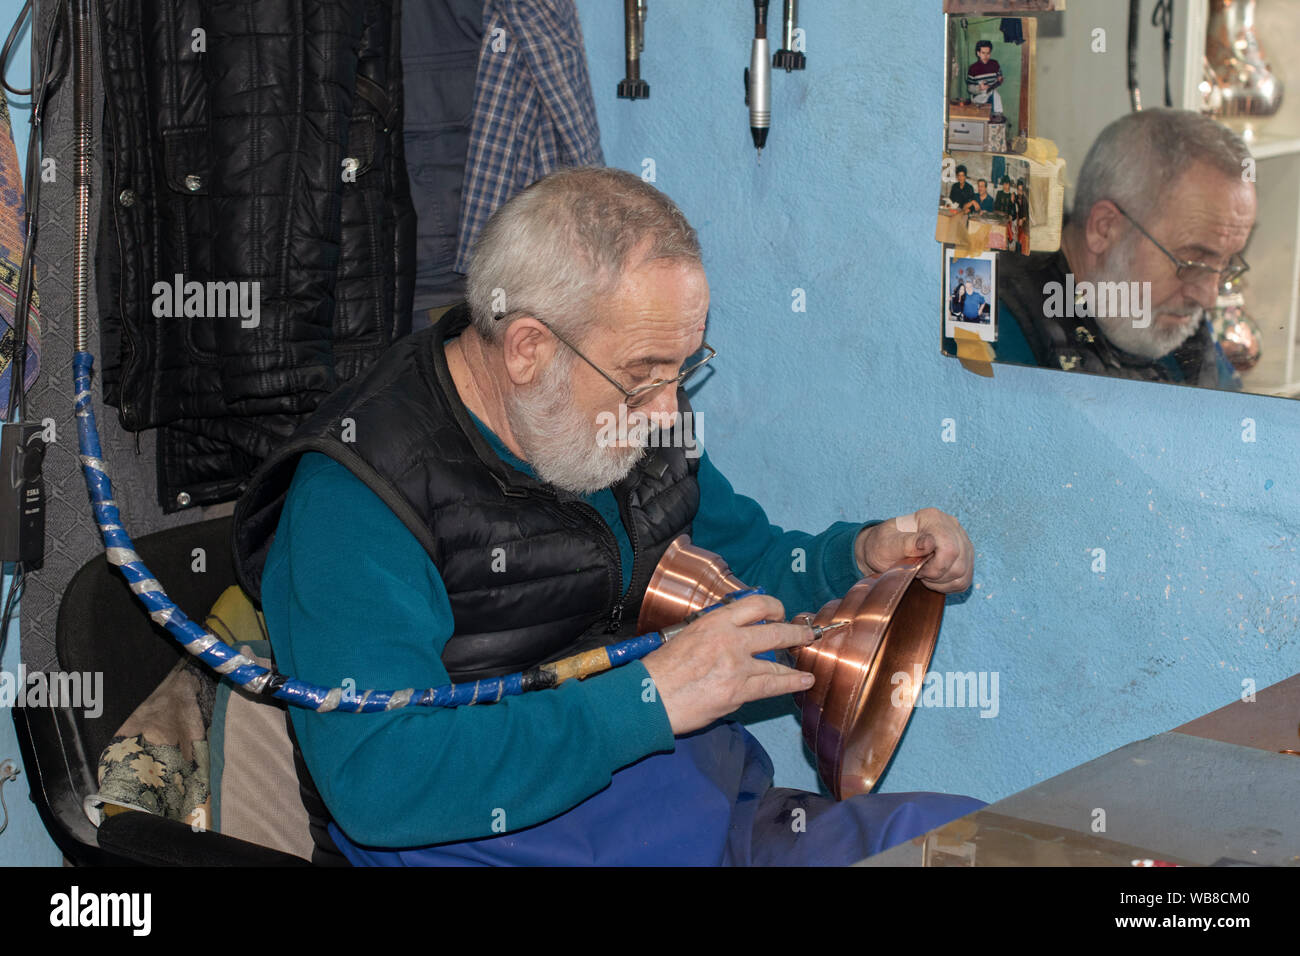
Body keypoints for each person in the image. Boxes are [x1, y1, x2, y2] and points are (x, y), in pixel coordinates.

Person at [232, 167, 983, 866]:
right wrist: (650, 701)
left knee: (976, 844)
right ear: (528, 347)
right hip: (508, 845)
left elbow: (742, 571)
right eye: (641, 376)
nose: (667, 412)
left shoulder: (622, 417)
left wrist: (856, 557)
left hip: (711, 815)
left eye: (682, 369)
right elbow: (380, 781)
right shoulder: (358, 498)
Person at [994, 109, 1253, 388]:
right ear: (1104, 228)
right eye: (1191, 263)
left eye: (1224, 265)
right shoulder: (1004, 329)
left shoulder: (1173, 316)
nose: (1209, 297)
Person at [966, 40, 1003, 118]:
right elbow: (969, 88)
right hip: (978, 97)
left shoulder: (995, 64)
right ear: (978, 53)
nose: (986, 56)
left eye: (988, 53)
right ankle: (996, 116)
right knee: (993, 96)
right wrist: (979, 88)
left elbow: (1000, 77)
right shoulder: (973, 68)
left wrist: (1000, 80)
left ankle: (996, 117)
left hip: (991, 94)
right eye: (983, 53)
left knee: (995, 95)